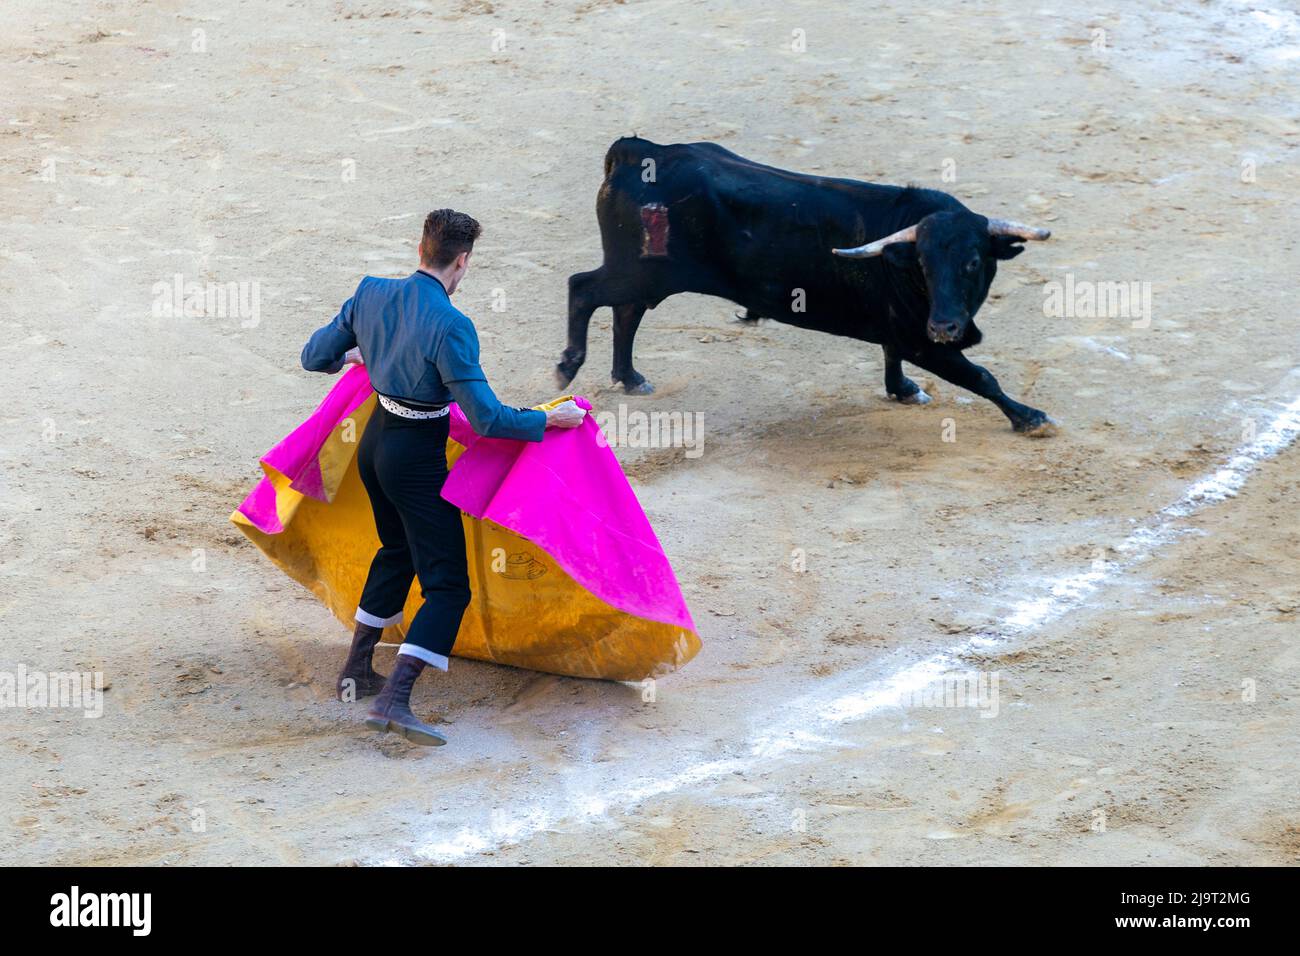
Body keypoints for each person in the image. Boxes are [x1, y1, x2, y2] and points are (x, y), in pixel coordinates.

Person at [300, 209, 586, 745]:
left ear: (419, 249)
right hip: (414, 458)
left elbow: (315, 357)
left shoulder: (370, 292)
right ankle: (394, 700)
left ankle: (357, 670)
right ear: (463, 261)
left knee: (396, 551)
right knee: (448, 585)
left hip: (375, 445)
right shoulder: (452, 325)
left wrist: (367, 354)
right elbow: (488, 419)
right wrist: (548, 419)